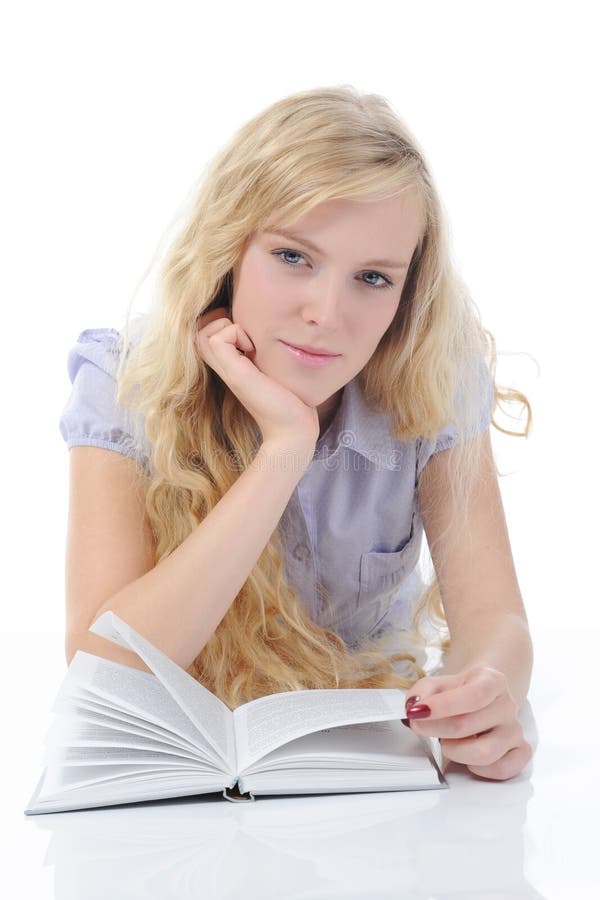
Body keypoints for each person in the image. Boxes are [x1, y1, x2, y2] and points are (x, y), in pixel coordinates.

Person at [59, 85, 534, 781]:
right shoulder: (122, 381)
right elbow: (102, 671)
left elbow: (497, 622)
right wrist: (284, 450)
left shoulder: (431, 379)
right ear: (230, 248)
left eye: (373, 277)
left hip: (361, 779)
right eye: (293, 257)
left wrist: (488, 688)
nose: (326, 314)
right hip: (179, 783)